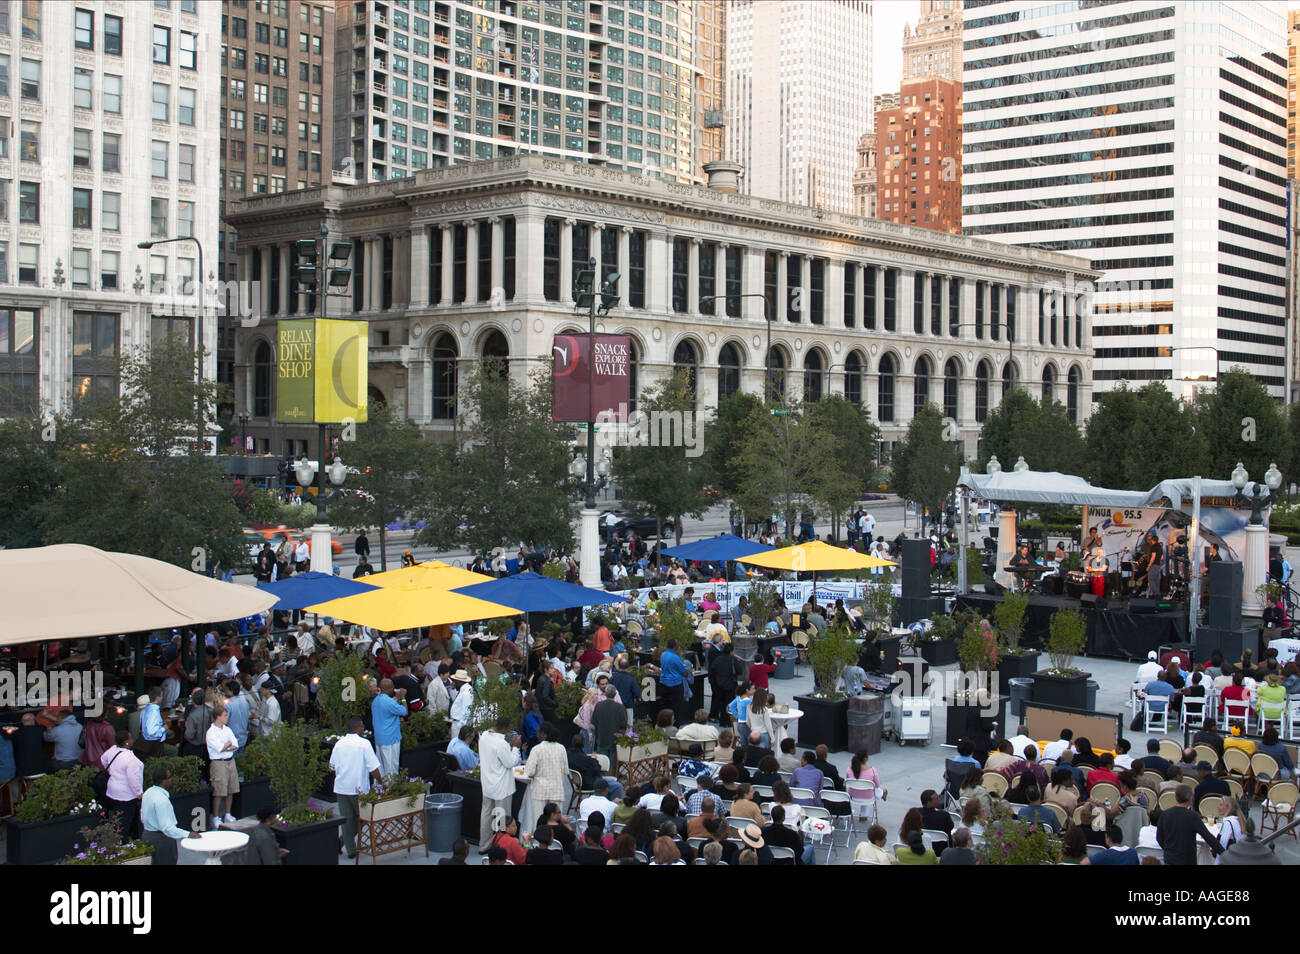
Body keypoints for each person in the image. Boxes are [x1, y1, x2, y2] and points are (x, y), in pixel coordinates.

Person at [328, 715, 381, 858]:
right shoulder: (364, 744)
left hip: (341, 787)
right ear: (358, 728)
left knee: (347, 818)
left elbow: (332, 765)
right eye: (362, 726)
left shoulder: (339, 743)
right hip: (359, 788)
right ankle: (346, 844)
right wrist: (381, 781)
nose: (364, 729)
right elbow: (374, 768)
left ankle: (347, 846)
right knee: (363, 817)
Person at [479, 717, 522, 852]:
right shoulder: (501, 743)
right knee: (504, 819)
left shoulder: (484, 736)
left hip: (487, 784)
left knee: (486, 815)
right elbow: (510, 762)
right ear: (505, 728)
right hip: (501, 787)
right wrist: (515, 747)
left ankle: (484, 845)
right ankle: (502, 848)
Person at [140, 765, 197, 865]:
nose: (171, 779)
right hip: (162, 841)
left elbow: (142, 815)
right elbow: (168, 829)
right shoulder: (162, 801)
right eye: (169, 777)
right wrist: (188, 834)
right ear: (163, 781)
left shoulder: (147, 793)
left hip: (147, 835)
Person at [1157, 784, 1223, 865]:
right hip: (1187, 860)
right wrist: (1224, 853)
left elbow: (1159, 838)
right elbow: (1208, 837)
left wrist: (1168, 850)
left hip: (1170, 859)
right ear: (1190, 798)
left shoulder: (1165, 814)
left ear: (1176, 797)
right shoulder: (1192, 816)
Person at [100, 729, 144, 839]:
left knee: (116, 817)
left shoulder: (112, 750)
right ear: (127, 742)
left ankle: (118, 838)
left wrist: (111, 770)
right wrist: (139, 793)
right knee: (126, 821)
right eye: (130, 738)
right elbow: (133, 779)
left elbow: (103, 759)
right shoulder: (131, 759)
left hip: (112, 790)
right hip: (127, 794)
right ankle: (124, 842)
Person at [205, 704, 240, 828]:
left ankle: (227, 814)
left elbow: (235, 744)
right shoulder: (211, 732)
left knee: (231, 789)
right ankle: (215, 817)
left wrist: (227, 746)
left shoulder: (227, 729)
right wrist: (227, 746)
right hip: (218, 763)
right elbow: (220, 748)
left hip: (230, 761)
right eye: (225, 715)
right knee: (219, 791)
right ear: (218, 717)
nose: (227, 718)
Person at [522, 722, 568, 807]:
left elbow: (529, 772)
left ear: (543, 734)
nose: (537, 734)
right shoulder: (561, 748)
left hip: (539, 791)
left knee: (539, 819)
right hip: (556, 791)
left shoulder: (536, 749)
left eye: (538, 731)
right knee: (555, 819)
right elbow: (565, 770)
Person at [370, 678, 408, 778]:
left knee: (381, 767)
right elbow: (404, 711)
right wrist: (403, 697)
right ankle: (391, 790)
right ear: (389, 688)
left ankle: (381, 790)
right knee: (391, 768)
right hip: (390, 739)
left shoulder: (376, 700)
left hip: (379, 738)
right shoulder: (388, 702)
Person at [657, 638, 693, 726]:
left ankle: (665, 724)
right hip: (675, 685)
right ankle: (676, 726)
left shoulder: (663, 655)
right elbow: (684, 673)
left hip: (663, 683)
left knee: (665, 705)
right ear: (675, 646)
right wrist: (688, 670)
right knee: (677, 707)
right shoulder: (675, 658)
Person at [592, 685, 628, 761]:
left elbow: (594, 721)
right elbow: (624, 725)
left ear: (605, 694)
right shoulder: (620, 707)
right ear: (615, 694)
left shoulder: (599, 705)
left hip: (601, 739)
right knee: (613, 763)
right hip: (615, 740)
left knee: (602, 763)